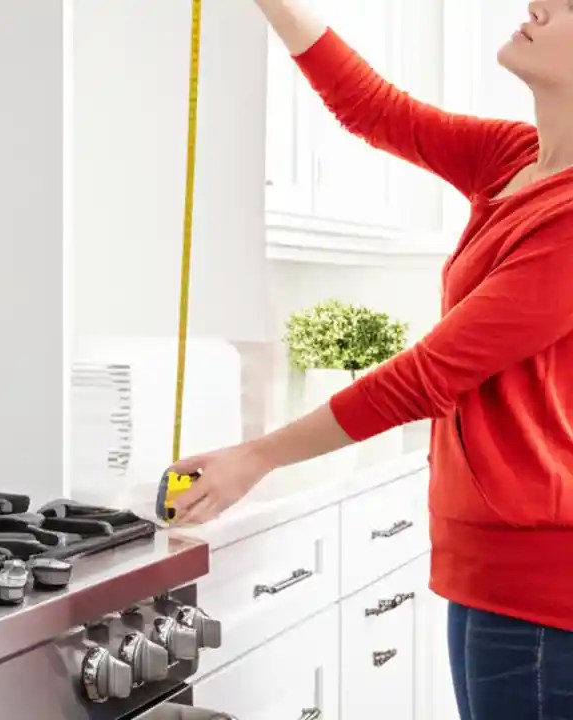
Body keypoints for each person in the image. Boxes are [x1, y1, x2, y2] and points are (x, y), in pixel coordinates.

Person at [168, 0, 573, 717]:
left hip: (543, 592)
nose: (539, 3)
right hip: (490, 573)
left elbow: (426, 377)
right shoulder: (515, 159)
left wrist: (256, 455)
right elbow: (375, 110)